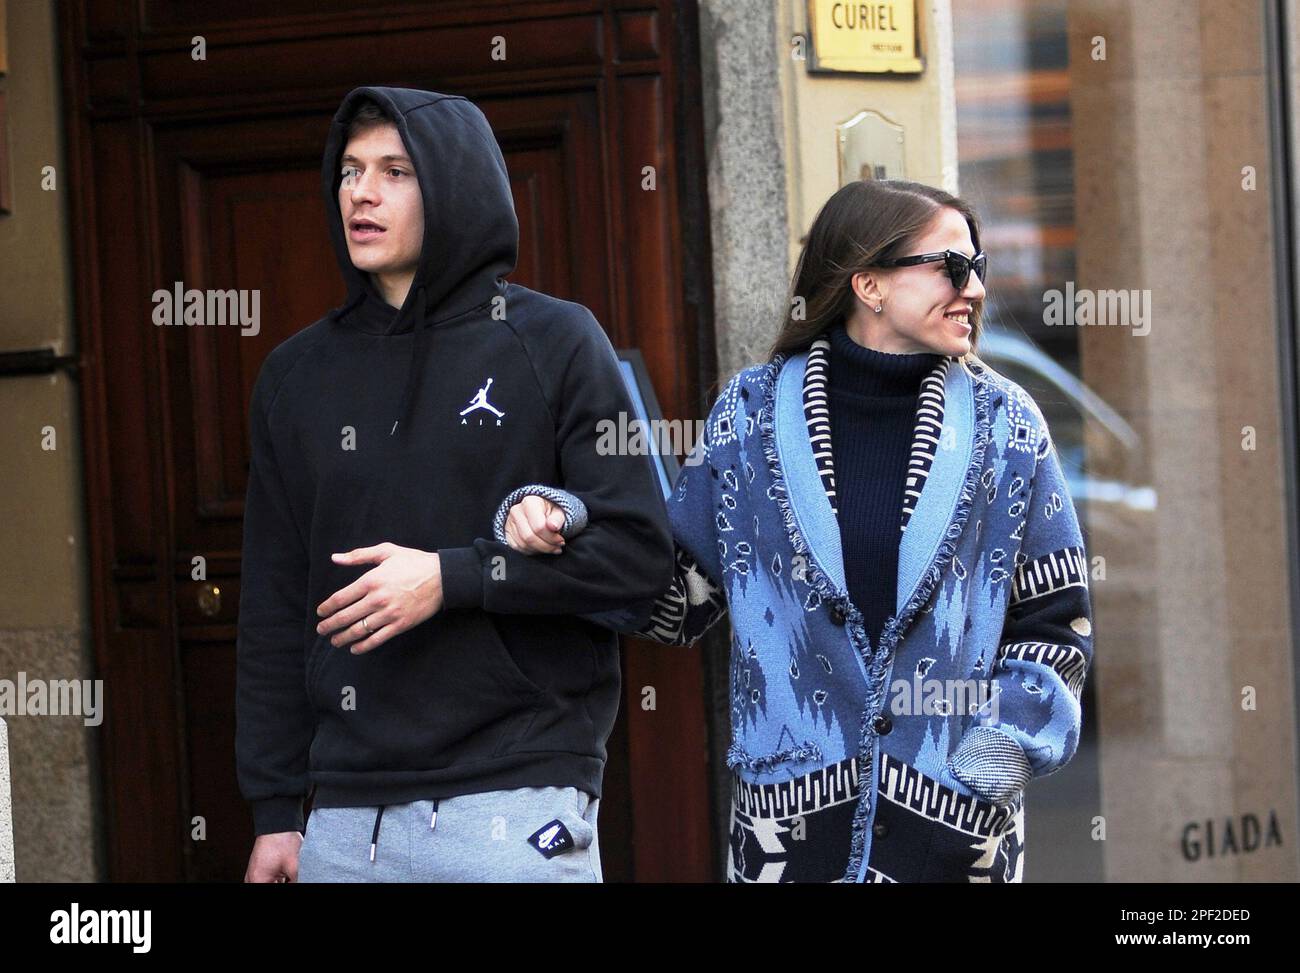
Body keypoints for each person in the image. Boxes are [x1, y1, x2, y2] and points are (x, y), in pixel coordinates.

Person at [498, 178, 1095, 883]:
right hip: (787, 842)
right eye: (951, 267)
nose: (975, 288)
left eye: (978, 267)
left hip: (955, 840)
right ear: (868, 284)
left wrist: (993, 758)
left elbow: (1057, 627)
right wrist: (563, 520)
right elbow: (672, 596)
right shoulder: (749, 417)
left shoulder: (1008, 426)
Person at [236, 85, 674, 883]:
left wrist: (453, 576)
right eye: (350, 170)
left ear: (455, 184)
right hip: (345, 818)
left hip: (516, 794)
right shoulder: (294, 377)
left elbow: (640, 556)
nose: (361, 192)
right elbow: (272, 604)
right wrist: (274, 809)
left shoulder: (556, 341)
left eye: (396, 171)